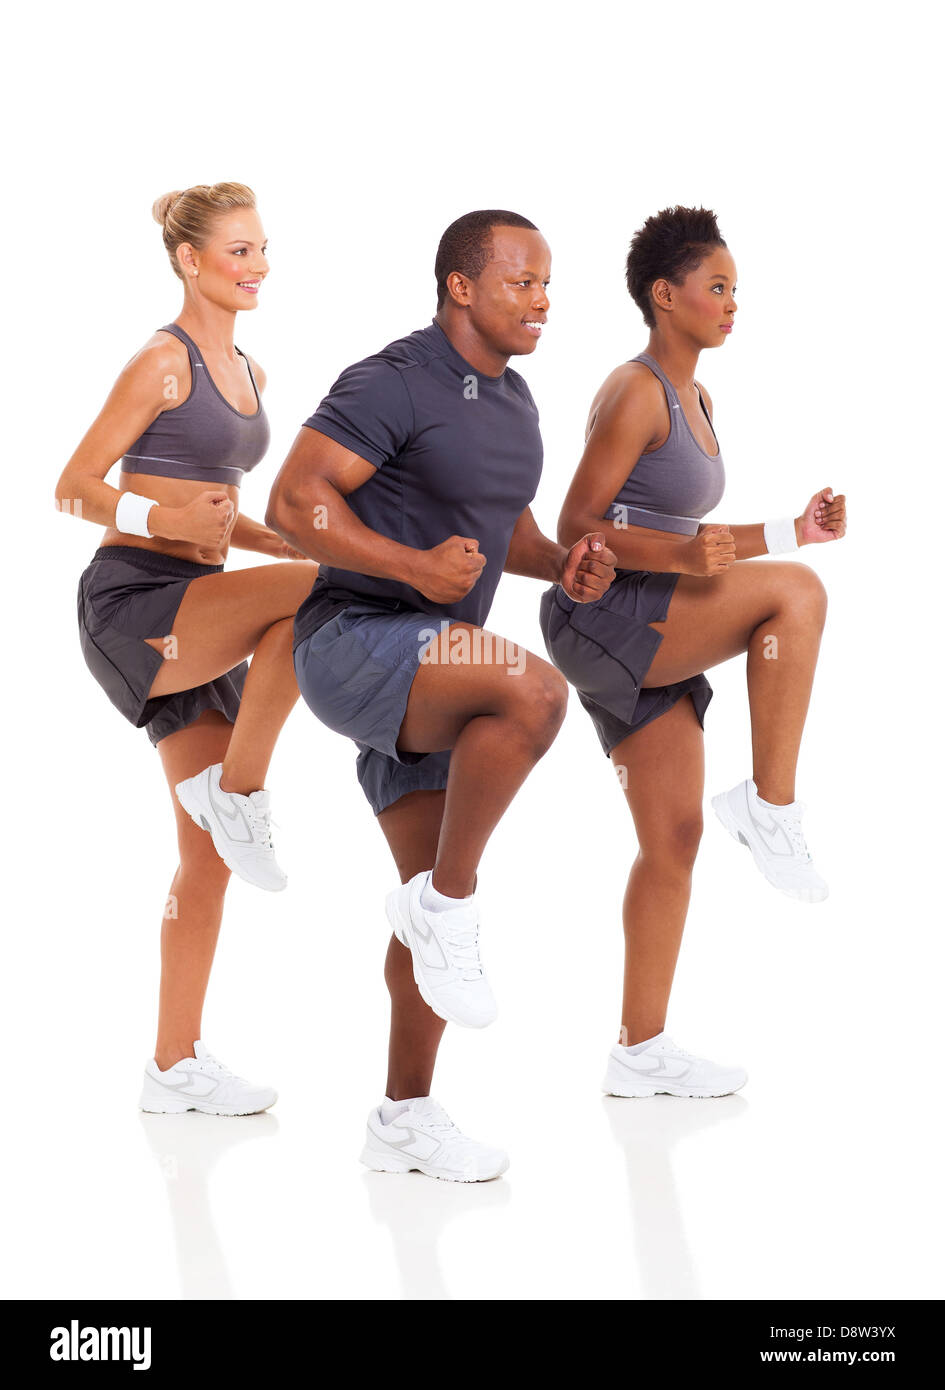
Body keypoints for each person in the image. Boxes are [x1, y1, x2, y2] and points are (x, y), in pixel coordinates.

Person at [266, 210, 617, 1180]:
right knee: (533, 693)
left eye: (547, 284)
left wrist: (563, 564)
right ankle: (447, 905)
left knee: (425, 898)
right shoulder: (394, 379)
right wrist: (413, 566)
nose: (542, 300)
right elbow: (293, 503)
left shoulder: (515, 402)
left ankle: (403, 1117)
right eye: (521, 281)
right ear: (460, 286)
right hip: (353, 637)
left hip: (431, 666)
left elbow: (507, 531)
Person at [539, 205, 847, 1100]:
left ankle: (639, 1051)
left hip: (652, 617)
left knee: (672, 839)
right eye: (717, 286)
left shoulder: (698, 398)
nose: (732, 303)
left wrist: (793, 528)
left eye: (735, 289)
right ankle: (770, 805)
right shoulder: (636, 390)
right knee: (795, 594)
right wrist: (689, 558)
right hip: (603, 613)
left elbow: (691, 539)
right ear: (664, 295)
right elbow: (575, 524)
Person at [57, 182, 317, 1115]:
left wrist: (272, 541)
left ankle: (173, 1067)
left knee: (204, 861)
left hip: (202, 609)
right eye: (239, 251)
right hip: (134, 600)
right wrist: (163, 519)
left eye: (262, 249)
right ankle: (240, 792)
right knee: (322, 597)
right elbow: (73, 486)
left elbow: (214, 508)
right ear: (189, 260)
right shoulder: (161, 362)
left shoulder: (251, 370)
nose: (258, 266)